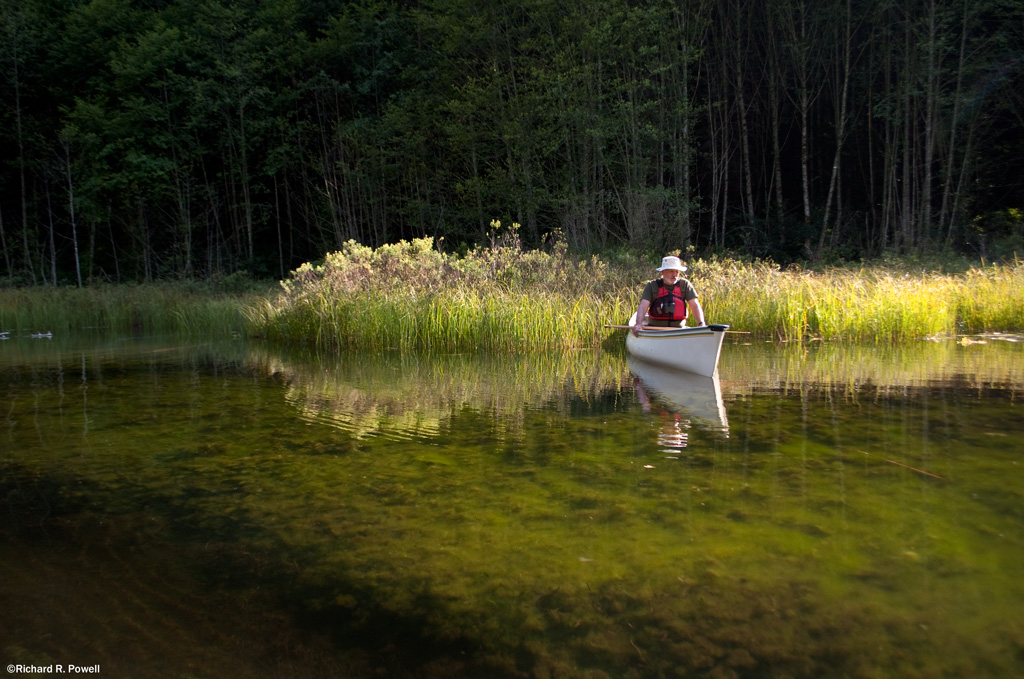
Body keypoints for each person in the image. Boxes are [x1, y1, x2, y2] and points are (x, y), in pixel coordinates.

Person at [631, 255, 706, 336]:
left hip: (678, 330)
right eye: (671, 271)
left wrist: (701, 323)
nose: (674, 275)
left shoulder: (685, 285)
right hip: (655, 329)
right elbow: (643, 306)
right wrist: (638, 324)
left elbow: (695, 305)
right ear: (662, 272)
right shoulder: (652, 286)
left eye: (677, 271)